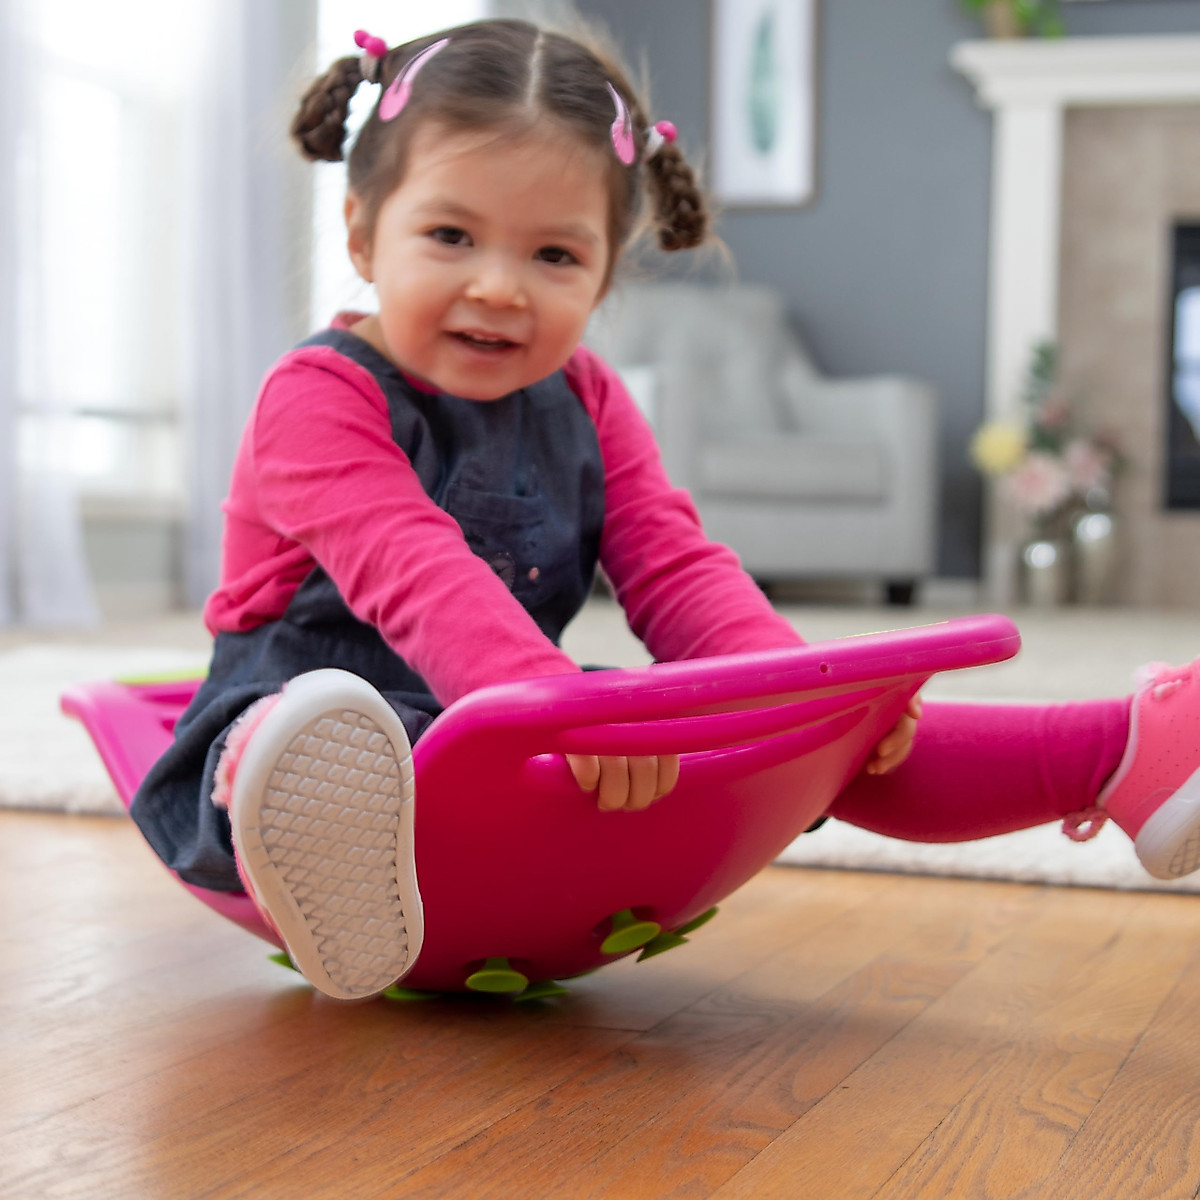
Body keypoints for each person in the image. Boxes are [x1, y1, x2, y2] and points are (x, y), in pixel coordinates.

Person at [130, 18, 1200, 1002]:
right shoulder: (318, 396)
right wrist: (560, 712)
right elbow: (413, 569)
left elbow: (677, 570)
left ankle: (1124, 751)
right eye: (451, 236)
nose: (500, 286)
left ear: (602, 280)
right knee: (328, 728)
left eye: (554, 255)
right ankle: (303, 811)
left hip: (505, 723)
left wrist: (805, 709)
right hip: (344, 714)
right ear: (364, 237)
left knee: (834, 743)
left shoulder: (591, 401)